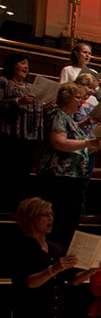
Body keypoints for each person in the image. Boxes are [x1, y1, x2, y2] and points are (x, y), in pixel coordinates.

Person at [38, 82, 101, 246]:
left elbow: (78, 149)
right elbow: (59, 142)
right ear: (65, 98)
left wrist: (95, 146)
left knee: (69, 226)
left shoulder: (68, 119)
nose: (81, 101)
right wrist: (89, 143)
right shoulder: (58, 115)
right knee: (60, 226)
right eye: (78, 97)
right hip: (59, 178)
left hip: (72, 177)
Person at [0, 53, 46, 212]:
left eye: (27, 64)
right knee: (8, 173)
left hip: (30, 136)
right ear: (12, 65)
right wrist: (18, 101)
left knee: (23, 174)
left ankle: (20, 206)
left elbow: (37, 108)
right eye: (22, 63)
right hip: (11, 135)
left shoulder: (30, 86)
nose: (25, 67)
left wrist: (47, 106)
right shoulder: (4, 82)